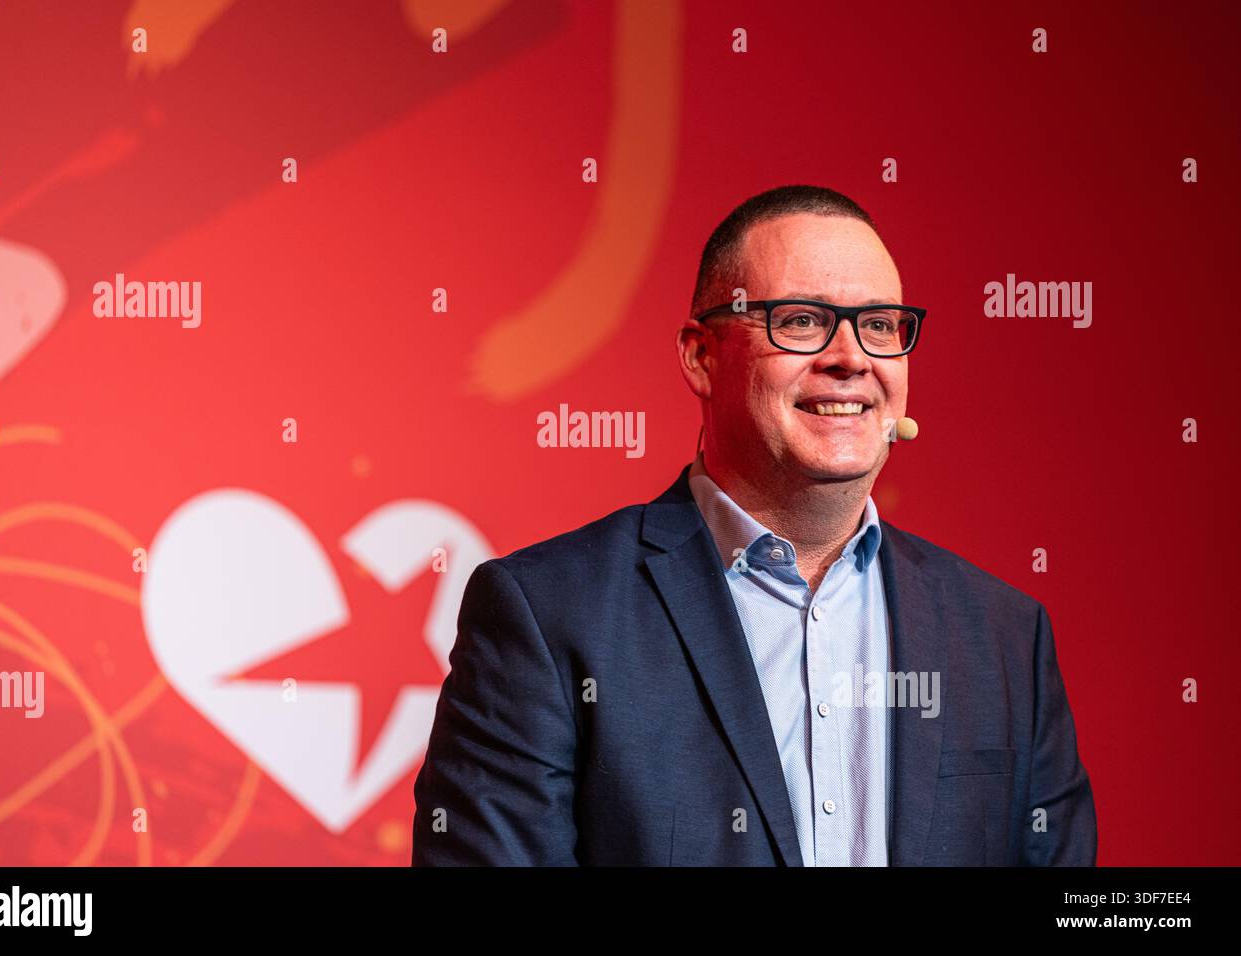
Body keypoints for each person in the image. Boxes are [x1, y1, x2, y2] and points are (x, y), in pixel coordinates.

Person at [411, 184, 1097, 866]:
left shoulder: (1006, 636)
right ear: (701, 357)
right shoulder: (549, 614)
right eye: (801, 320)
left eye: (880, 325)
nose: (852, 358)